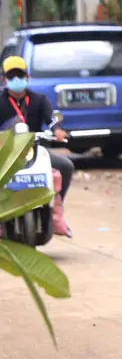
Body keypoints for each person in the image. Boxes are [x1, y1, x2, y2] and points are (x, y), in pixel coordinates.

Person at [0, 56, 73, 236]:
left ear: (28, 77)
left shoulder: (39, 99)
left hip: (34, 150)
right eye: (11, 76)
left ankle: (56, 211)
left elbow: (52, 120)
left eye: (20, 75)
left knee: (66, 166)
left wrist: (57, 129)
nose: (16, 79)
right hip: (5, 153)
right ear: (4, 79)